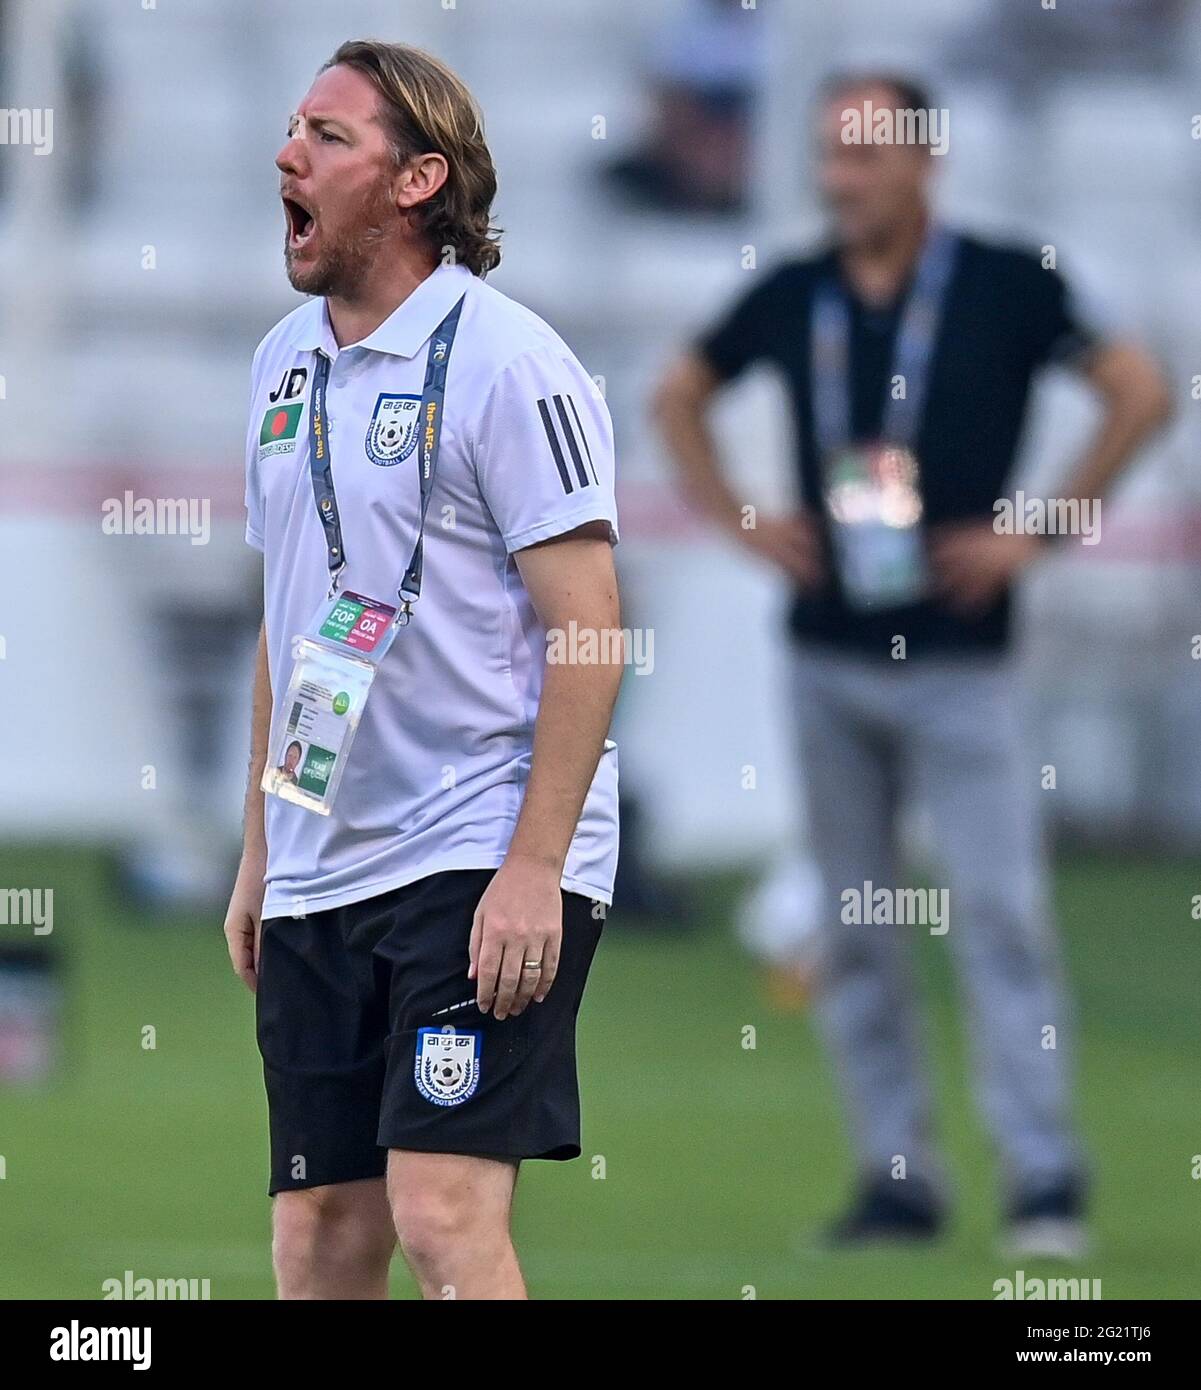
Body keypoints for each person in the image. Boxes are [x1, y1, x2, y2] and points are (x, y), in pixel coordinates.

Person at [655, 72, 1172, 1256]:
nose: (842, 178)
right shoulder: (797, 291)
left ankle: (1043, 1178)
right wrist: (739, 520)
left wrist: (1037, 531)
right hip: (827, 651)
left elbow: (1138, 392)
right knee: (854, 924)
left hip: (962, 658)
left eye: (865, 154)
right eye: (830, 155)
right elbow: (678, 392)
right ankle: (898, 1178)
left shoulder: (1003, 282)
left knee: (998, 913)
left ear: (924, 159)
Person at [223, 40, 622, 1301]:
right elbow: (286, 632)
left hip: (476, 839)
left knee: (442, 1213)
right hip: (321, 854)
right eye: (293, 129)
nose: (288, 154)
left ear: (417, 180)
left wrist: (534, 869)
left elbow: (593, 630)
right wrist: (259, 852)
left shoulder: (509, 362)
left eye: (329, 137)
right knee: (320, 1239)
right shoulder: (278, 364)